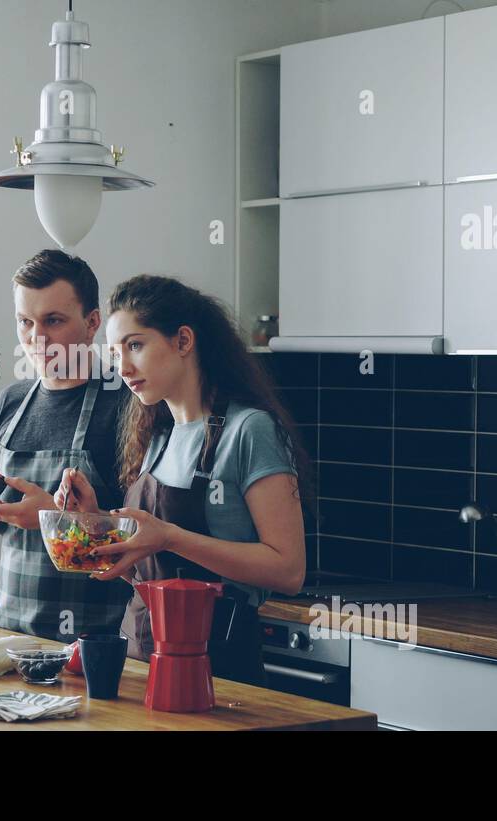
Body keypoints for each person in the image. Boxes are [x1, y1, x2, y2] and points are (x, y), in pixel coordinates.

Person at [55, 274, 311, 686]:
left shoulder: (249, 430)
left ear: (184, 341)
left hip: (217, 670)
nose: (122, 367)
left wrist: (170, 536)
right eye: (115, 352)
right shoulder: (157, 436)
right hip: (139, 660)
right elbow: (147, 572)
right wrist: (97, 527)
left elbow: (288, 569)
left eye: (135, 345)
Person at [0, 250, 133, 642]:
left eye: (54, 321)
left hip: (95, 644)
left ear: (92, 322)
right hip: (11, 636)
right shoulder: (10, 403)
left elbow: (142, 537)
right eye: (25, 322)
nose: (36, 338)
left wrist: (52, 517)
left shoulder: (127, 404)